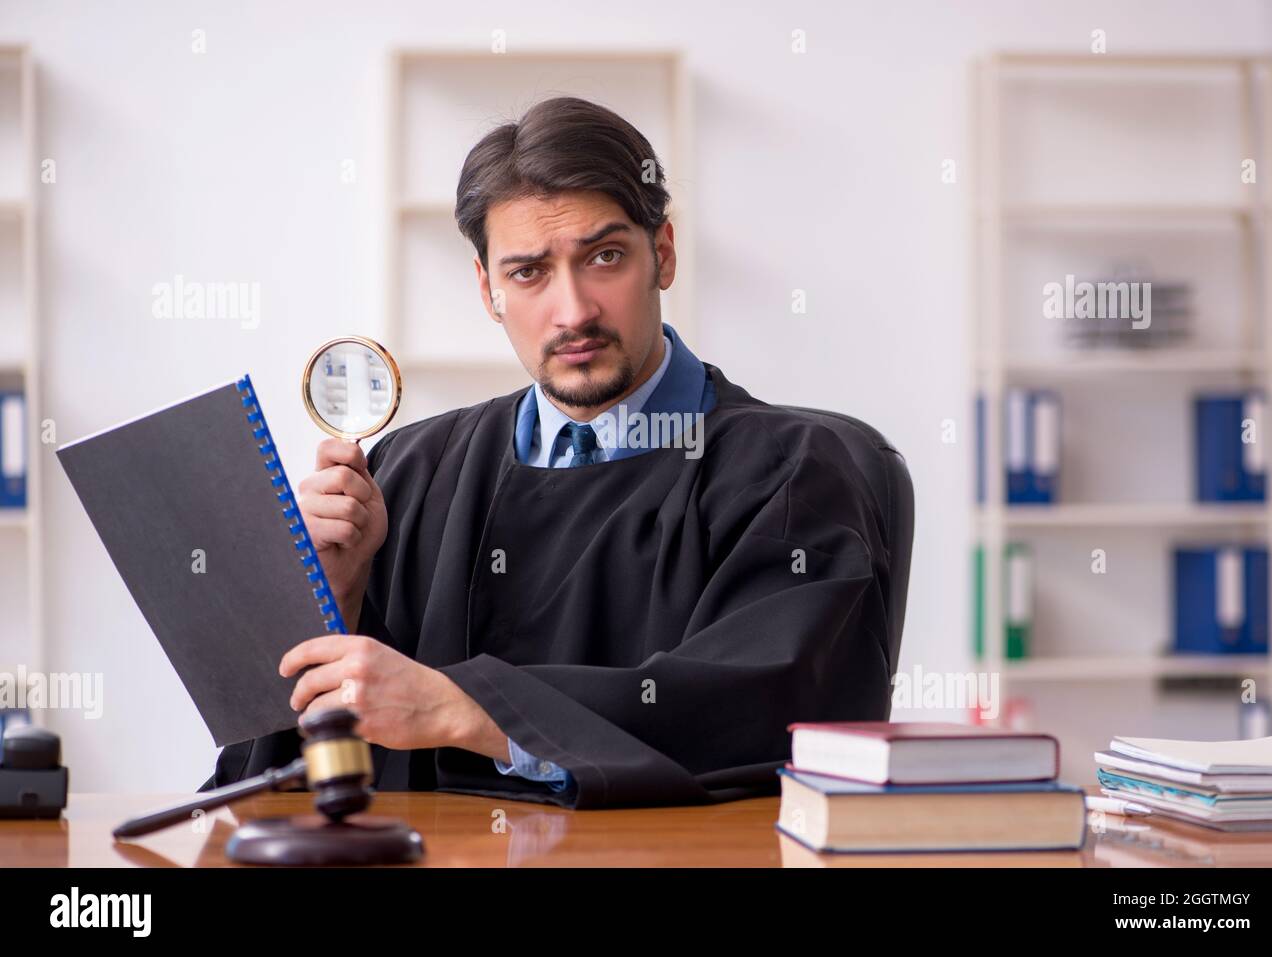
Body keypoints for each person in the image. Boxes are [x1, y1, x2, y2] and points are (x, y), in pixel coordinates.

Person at [201, 96, 894, 809]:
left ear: (663, 253)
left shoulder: (791, 473)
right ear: (488, 290)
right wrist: (328, 600)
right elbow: (272, 788)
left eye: (604, 257)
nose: (574, 311)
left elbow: (775, 708)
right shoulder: (407, 473)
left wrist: (471, 709)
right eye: (529, 272)